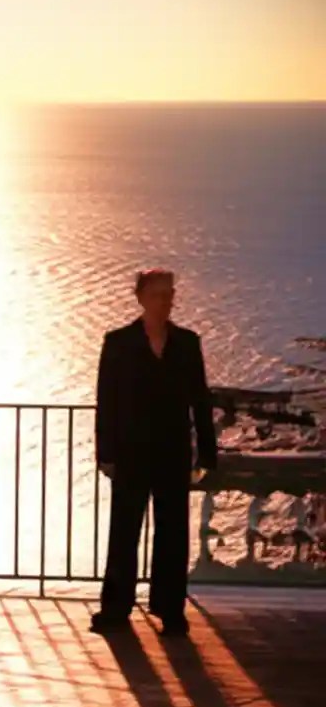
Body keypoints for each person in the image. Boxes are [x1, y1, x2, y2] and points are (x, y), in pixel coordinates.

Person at [91, 269, 217, 637]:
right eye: (159, 294)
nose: (166, 300)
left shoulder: (187, 343)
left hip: (173, 450)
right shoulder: (118, 342)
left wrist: (206, 454)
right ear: (142, 297)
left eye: (170, 293)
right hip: (131, 451)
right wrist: (106, 452)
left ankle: (170, 609)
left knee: (173, 533)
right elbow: (107, 401)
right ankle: (115, 609)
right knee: (124, 532)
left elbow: (201, 400)